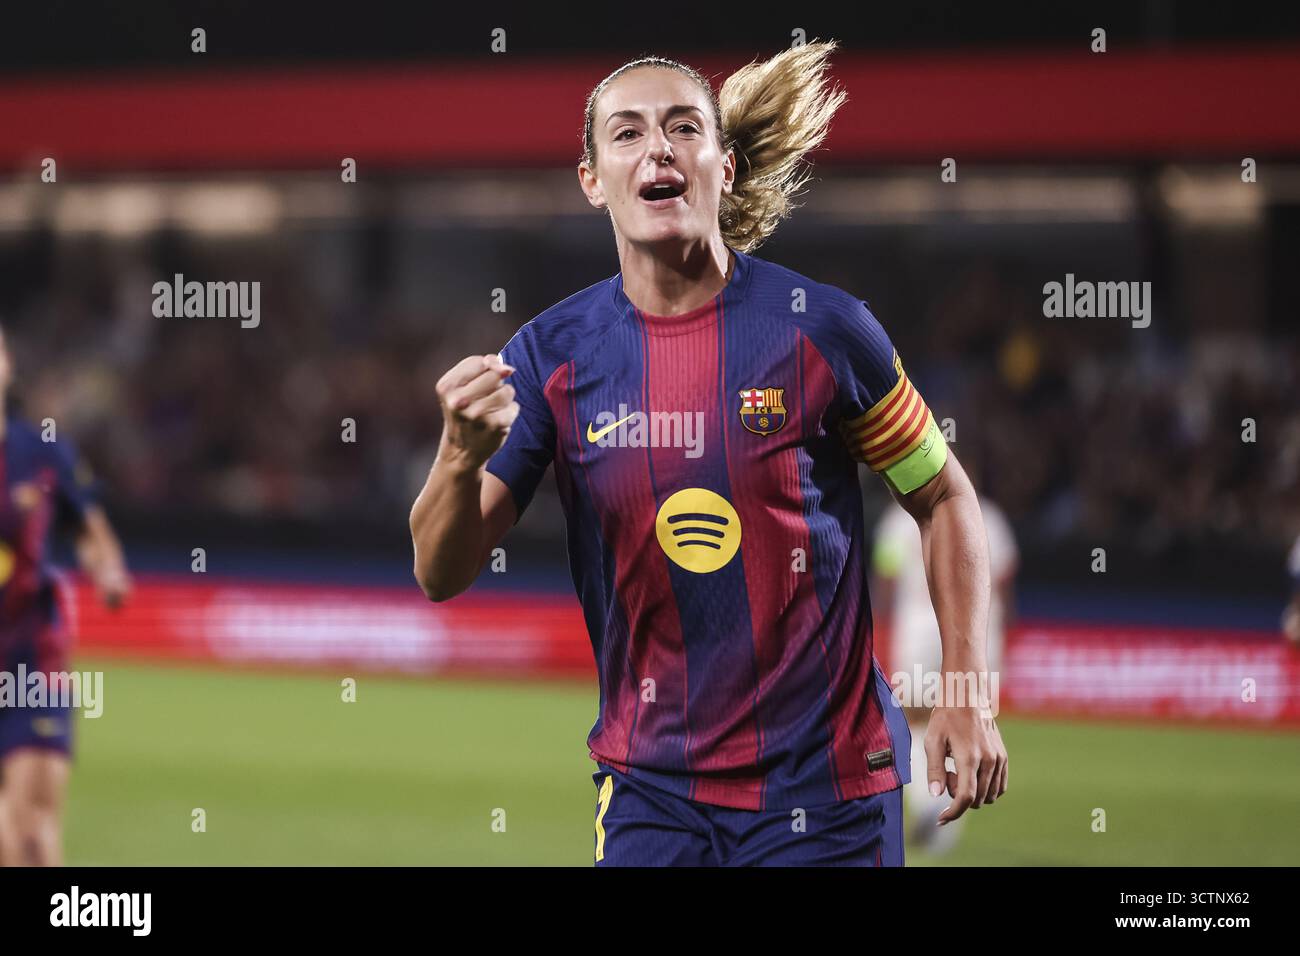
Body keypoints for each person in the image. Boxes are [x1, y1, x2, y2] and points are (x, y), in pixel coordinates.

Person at [409, 40, 1007, 866]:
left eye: (683, 128)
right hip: (651, 798)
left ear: (723, 167)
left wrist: (966, 694)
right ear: (592, 180)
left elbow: (944, 498)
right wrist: (456, 457)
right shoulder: (553, 357)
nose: (657, 148)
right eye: (626, 134)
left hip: (827, 796)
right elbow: (441, 572)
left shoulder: (823, 329)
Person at [0, 325, 131, 866]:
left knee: (31, 832)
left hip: (33, 661)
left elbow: (86, 522)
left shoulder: (41, 453)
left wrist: (106, 567)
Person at [872, 491, 1018, 854]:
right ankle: (948, 816)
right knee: (965, 720)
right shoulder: (989, 514)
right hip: (976, 632)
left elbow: (886, 576)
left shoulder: (897, 516)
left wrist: (878, 620)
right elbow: (1002, 580)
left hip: (919, 625)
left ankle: (929, 803)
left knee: (913, 719)